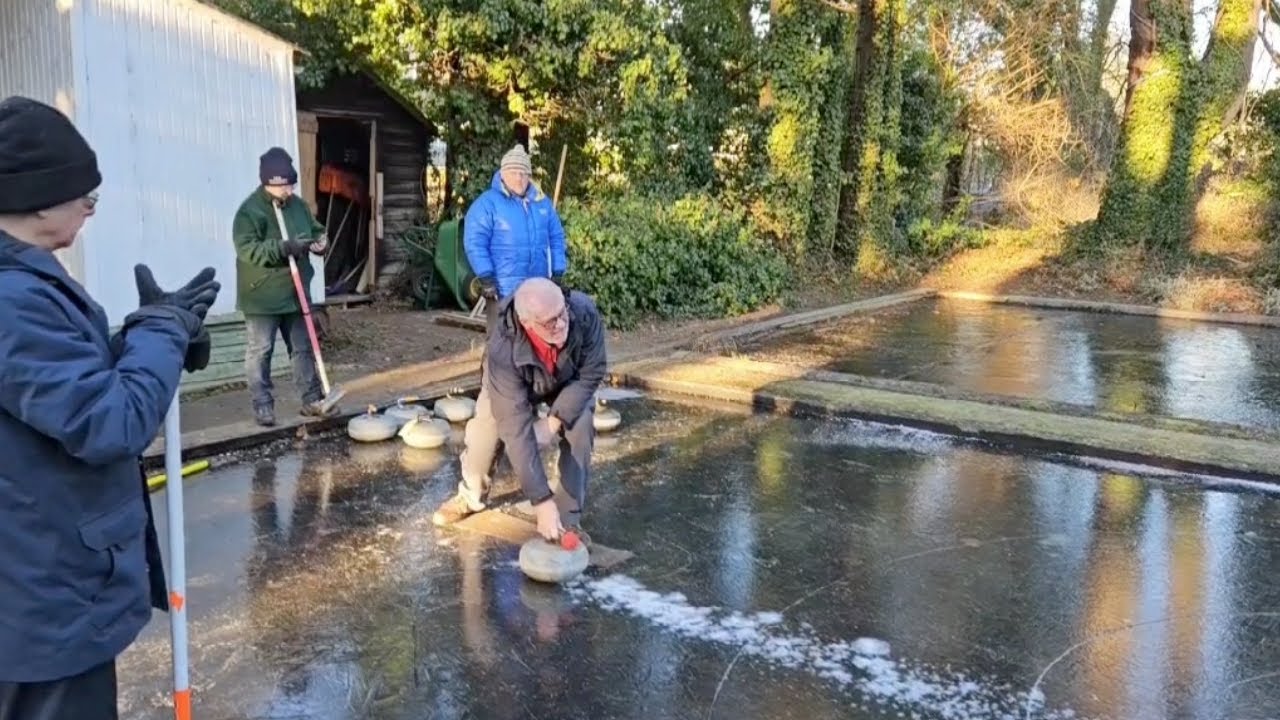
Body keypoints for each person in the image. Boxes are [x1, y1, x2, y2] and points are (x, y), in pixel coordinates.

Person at [0, 95, 219, 720]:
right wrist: (160, 334)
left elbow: (56, 388)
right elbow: (108, 421)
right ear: (40, 199)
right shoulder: (11, 297)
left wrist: (149, 340)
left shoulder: (26, 276)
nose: (92, 211)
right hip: (42, 605)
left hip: (36, 589)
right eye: (85, 198)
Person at [432, 277, 607, 542]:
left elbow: (592, 372)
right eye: (550, 321)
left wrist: (553, 422)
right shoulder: (502, 347)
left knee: (580, 422)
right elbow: (515, 428)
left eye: (562, 313)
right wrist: (541, 501)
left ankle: (568, 518)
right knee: (486, 431)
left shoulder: (583, 312)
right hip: (512, 384)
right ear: (527, 324)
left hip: (565, 381)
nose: (561, 324)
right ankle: (470, 495)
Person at [232, 147, 332, 426]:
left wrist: (320, 242)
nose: (288, 190)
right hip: (261, 295)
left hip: (296, 292)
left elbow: (315, 230)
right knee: (260, 350)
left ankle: (311, 399)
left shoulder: (297, 206)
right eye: (283, 186)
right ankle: (263, 405)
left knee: (302, 347)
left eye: (291, 184)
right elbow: (246, 249)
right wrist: (282, 248)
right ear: (267, 183)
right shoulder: (249, 212)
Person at [463, 144, 568, 328]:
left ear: (529, 176)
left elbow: (557, 237)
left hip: (537, 290)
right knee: (500, 342)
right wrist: (486, 278)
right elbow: (475, 242)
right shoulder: (487, 204)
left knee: (535, 340)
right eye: (513, 173)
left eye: (524, 174)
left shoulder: (542, 204)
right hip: (502, 290)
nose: (519, 178)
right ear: (502, 174)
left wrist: (558, 271)